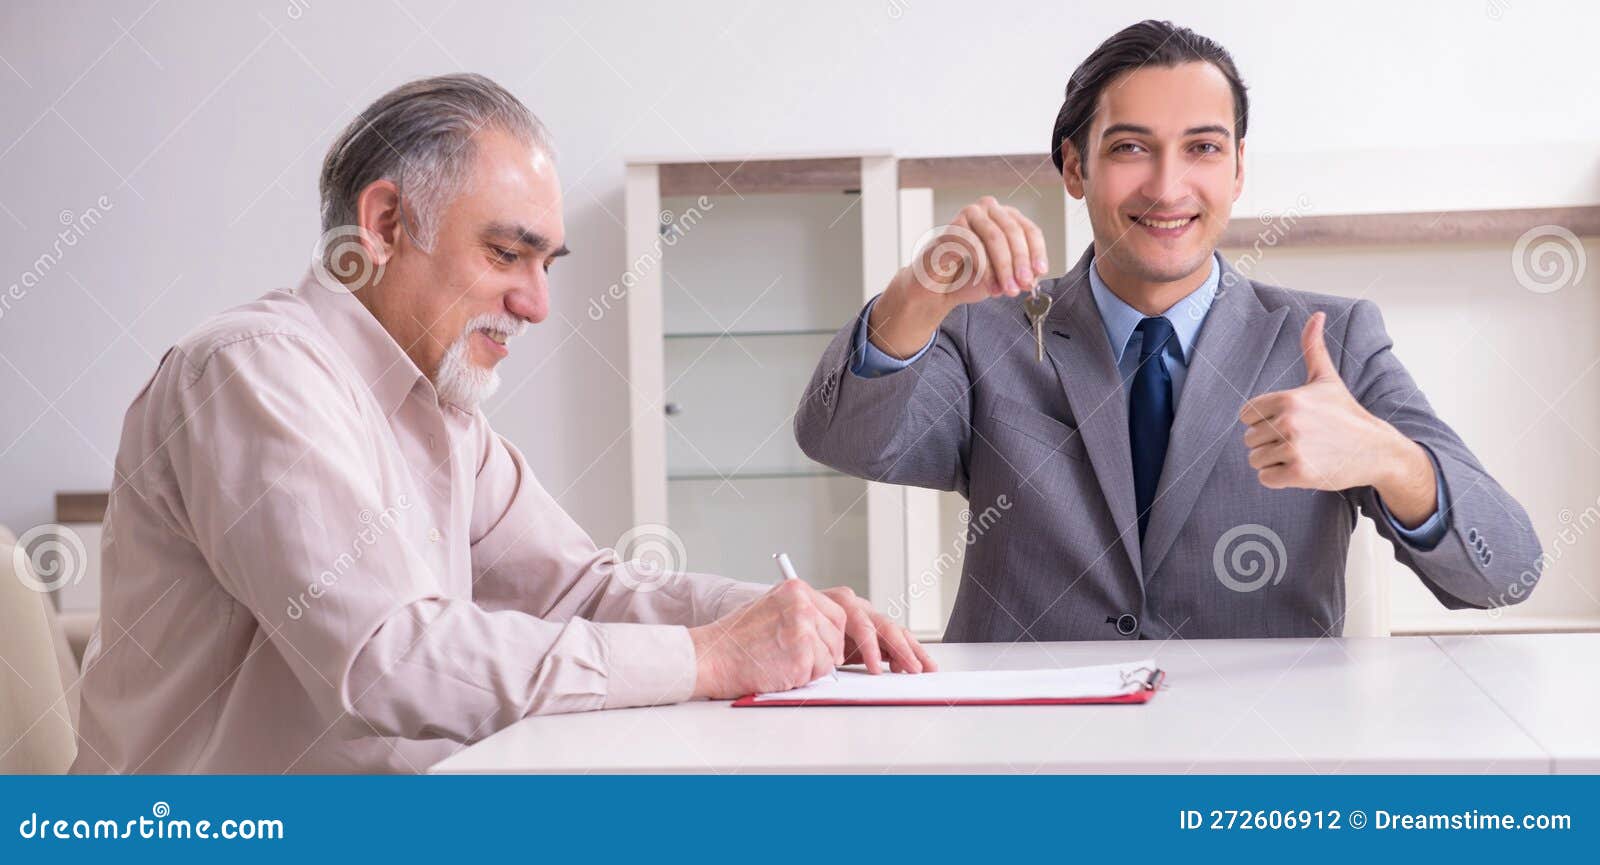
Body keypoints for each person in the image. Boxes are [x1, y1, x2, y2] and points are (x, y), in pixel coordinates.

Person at [73, 74, 932, 774]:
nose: (538, 302)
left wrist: (774, 612)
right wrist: (709, 657)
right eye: (506, 253)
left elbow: (584, 590)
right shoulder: (251, 369)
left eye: (547, 263)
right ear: (383, 225)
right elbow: (386, 658)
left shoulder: (442, 413)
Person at [794, 20, 1542, 643]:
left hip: (1250, 775)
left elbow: (1506, 570)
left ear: (1239, 168)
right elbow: (841, 438)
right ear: (1074, 167)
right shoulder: (984, 331)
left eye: (1203, 148)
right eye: (1129, 147)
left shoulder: (1333, 341)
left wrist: (1389, 460)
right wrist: (917, 295)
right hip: (1024, 764)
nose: (1166, 185)